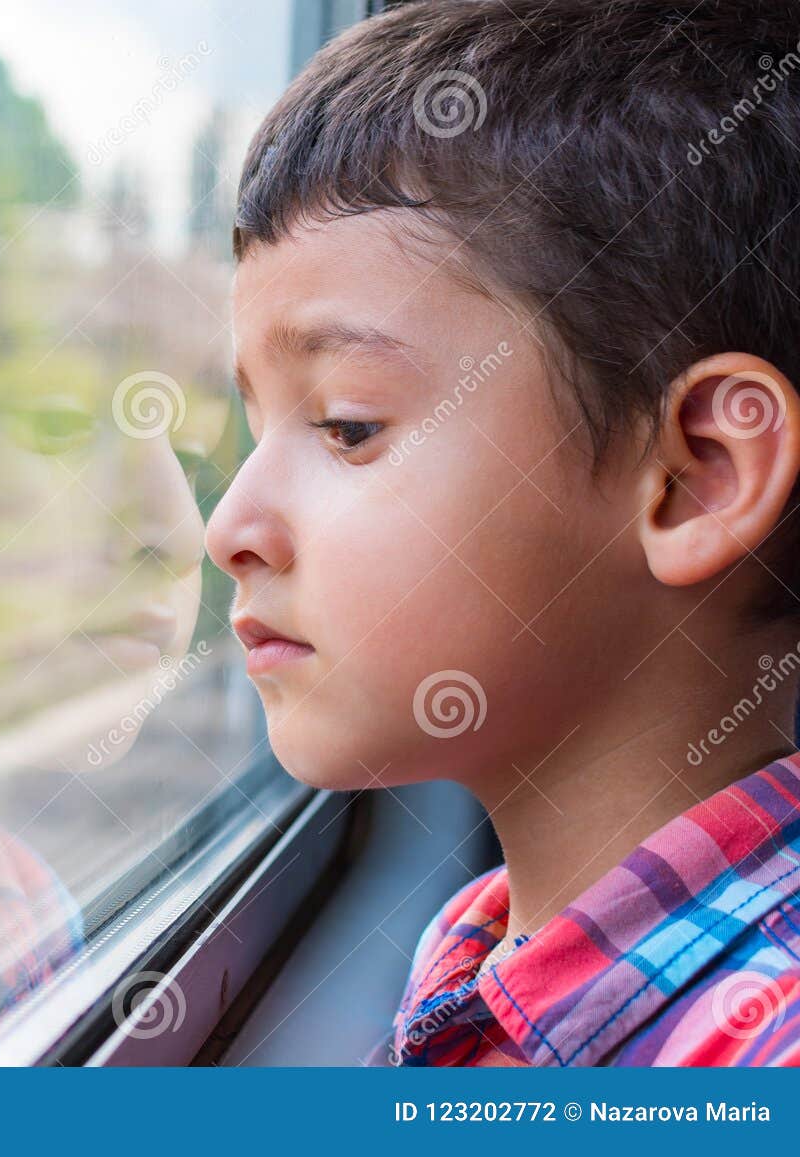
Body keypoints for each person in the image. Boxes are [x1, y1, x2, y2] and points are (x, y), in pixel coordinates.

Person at [205, 0, 800, 1066]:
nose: (230, 527)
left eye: (346, 425)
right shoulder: (477, 945)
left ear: (694, 479)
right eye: (254, 428)